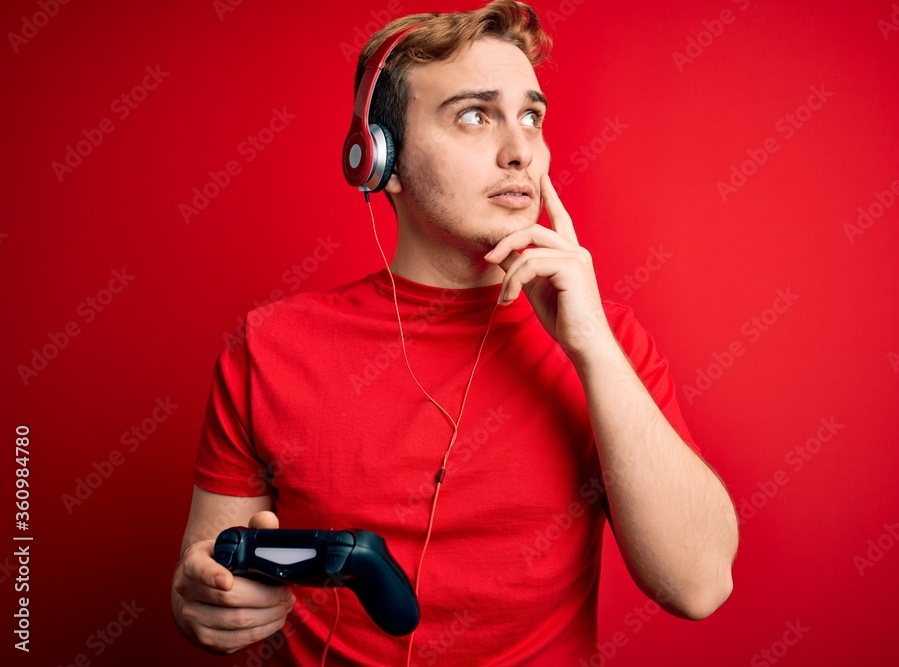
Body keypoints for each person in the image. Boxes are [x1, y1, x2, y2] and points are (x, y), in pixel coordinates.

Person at [171, 1, 738, 664]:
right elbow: (207, 582)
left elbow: (699, 584)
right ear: (378, 157)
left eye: (531, 115)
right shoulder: (267, 347)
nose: (521, 150)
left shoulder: (608, 343)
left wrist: (590, 346)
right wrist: (202, 603)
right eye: (475, 114)